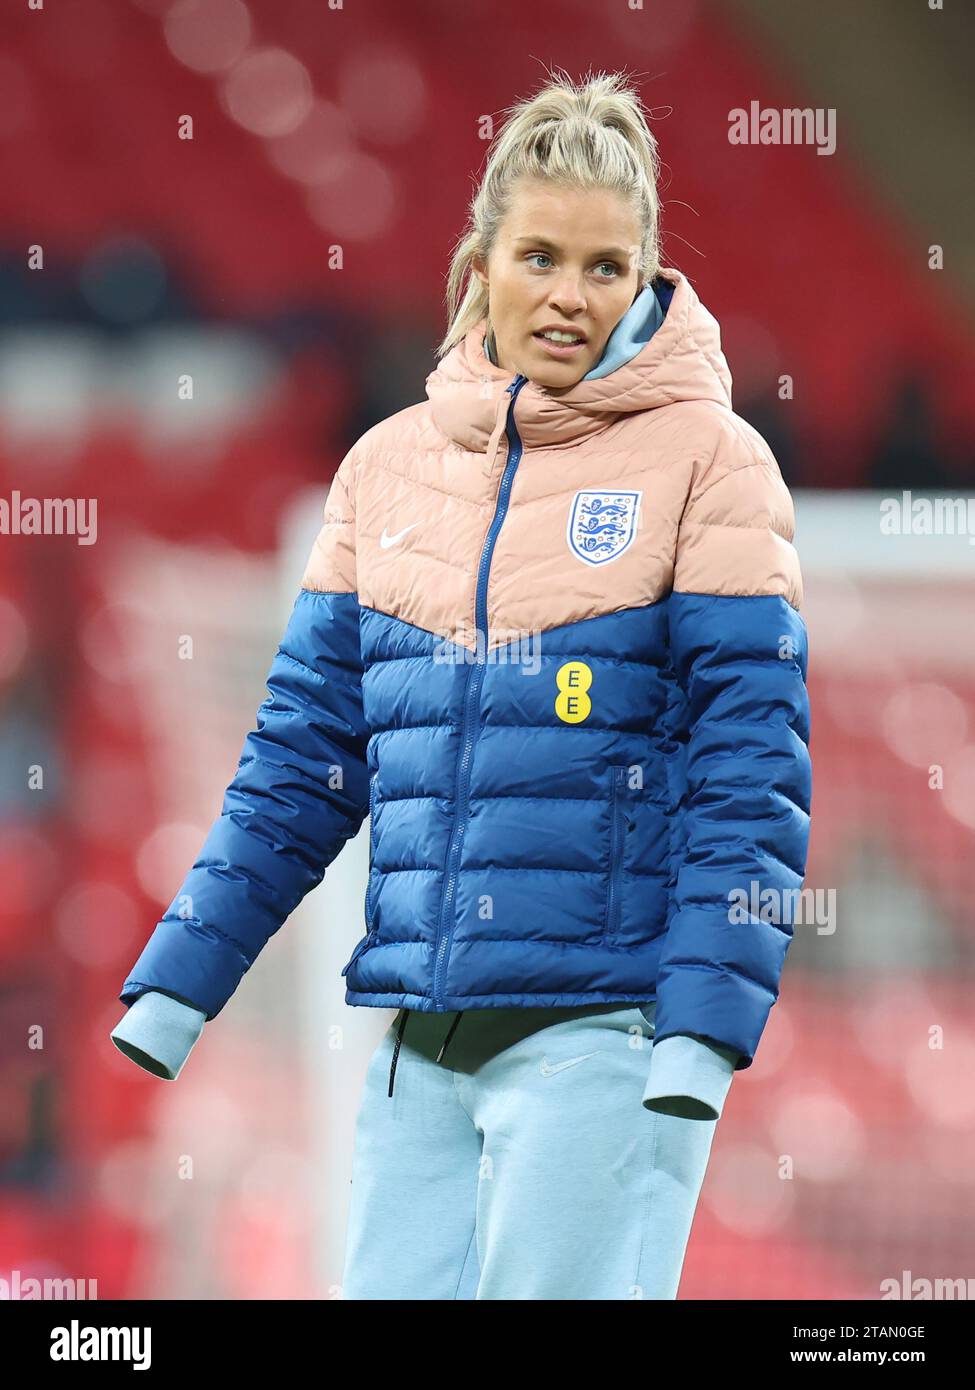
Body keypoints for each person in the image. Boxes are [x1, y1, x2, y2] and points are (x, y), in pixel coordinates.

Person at [110, 68, 812, 1300]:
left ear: (646, 273)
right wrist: (181, 980)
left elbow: (751, 772)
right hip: (415, 1046)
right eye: (540, 256)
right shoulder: (384, 471)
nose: (570, 296)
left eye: (607, 267)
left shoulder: (716, 464)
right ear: (481, 260)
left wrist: (701, 1028)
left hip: (612, 1040)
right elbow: (303, 761)